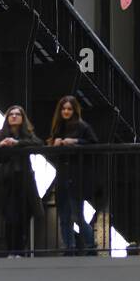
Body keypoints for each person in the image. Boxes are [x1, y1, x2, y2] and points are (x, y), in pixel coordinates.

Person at [0, 105, 45, 257]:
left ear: (22, 118)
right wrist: (0, 144)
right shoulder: (0, 135)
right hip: (6, 181)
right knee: (10, 217)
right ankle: (12, 250)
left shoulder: (27, 135)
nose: (14, 116)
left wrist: (17, 143)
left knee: (24, 215)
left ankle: (19, 250)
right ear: (7, 118)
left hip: (24, 181)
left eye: (17, 114)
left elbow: (39, 143)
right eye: (11, 114)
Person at [48, 96, 99, 256]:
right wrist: (54, 143)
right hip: (63, 175)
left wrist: (74, 141)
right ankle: (69, 247)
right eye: (64, 109)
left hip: (77, 175)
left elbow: (94, 144)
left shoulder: (82, 126)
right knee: (64, 216)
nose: (66, 112)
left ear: (74, 110)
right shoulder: (58, 128)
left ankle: (90, 245)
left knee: (77, 215)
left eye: (69, 109)